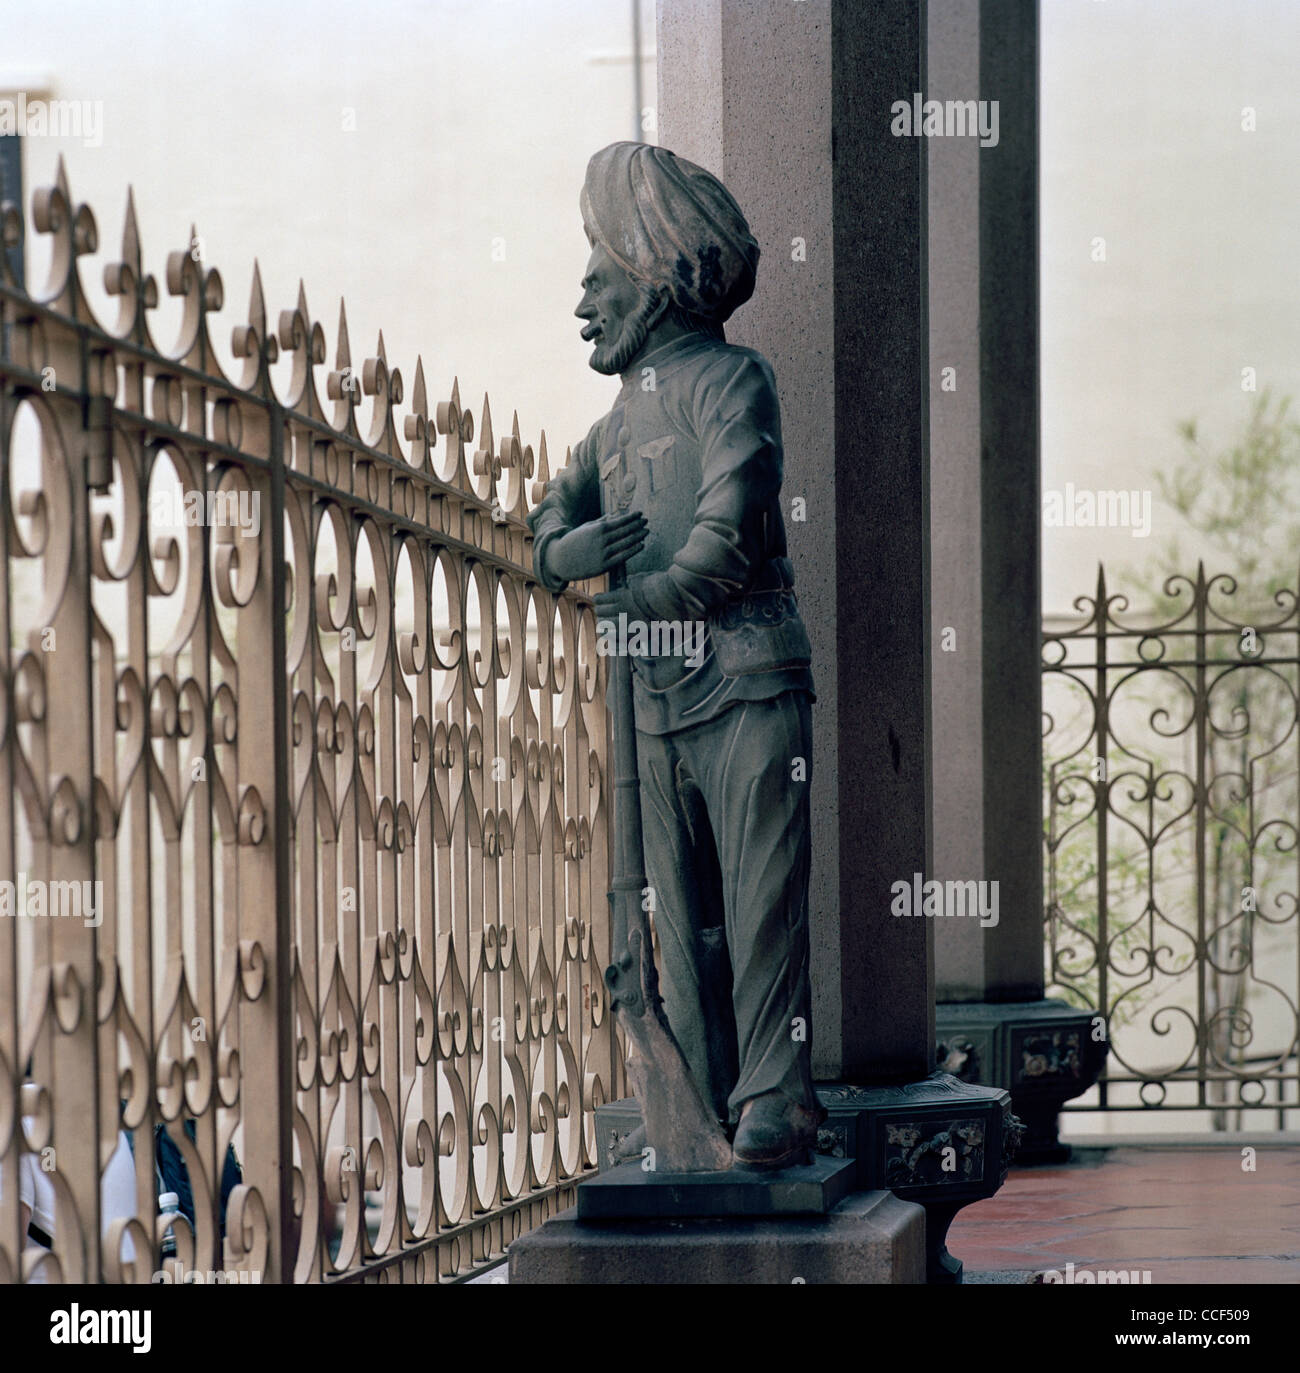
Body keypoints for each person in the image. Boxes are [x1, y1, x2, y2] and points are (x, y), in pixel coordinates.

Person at [527, 142, 823, 1167]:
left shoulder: (733, 380)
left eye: (594, 272)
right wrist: (564, 552)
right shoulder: (609, 427)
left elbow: (729, 526)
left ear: (654, 271)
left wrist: (643, 597)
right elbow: (545, 525)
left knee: (759, 906)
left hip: (747, 678)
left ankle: (776, 1100)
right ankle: (694, 1092)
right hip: (655, 697)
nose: (581, 301)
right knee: (677, 919)